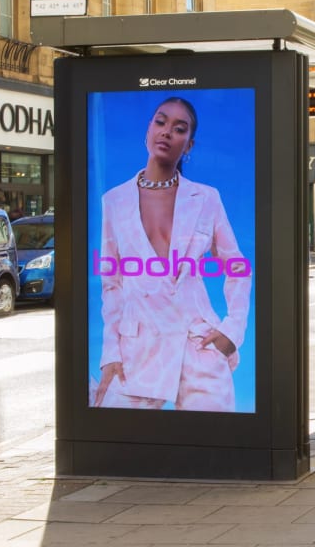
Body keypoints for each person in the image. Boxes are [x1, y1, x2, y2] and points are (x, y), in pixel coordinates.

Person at [92, 96, 252, 412]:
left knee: (211, 449)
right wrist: (111, 352)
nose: (167, 132)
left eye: (179, 129)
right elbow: (112, 284)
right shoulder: (114, 201)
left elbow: (236, 266)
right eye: (160, 122)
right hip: (138, 348)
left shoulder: (206, 198)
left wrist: (232, 330)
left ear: (188, 145)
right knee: (121, 444)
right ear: (148, 131)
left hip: (197, 346)